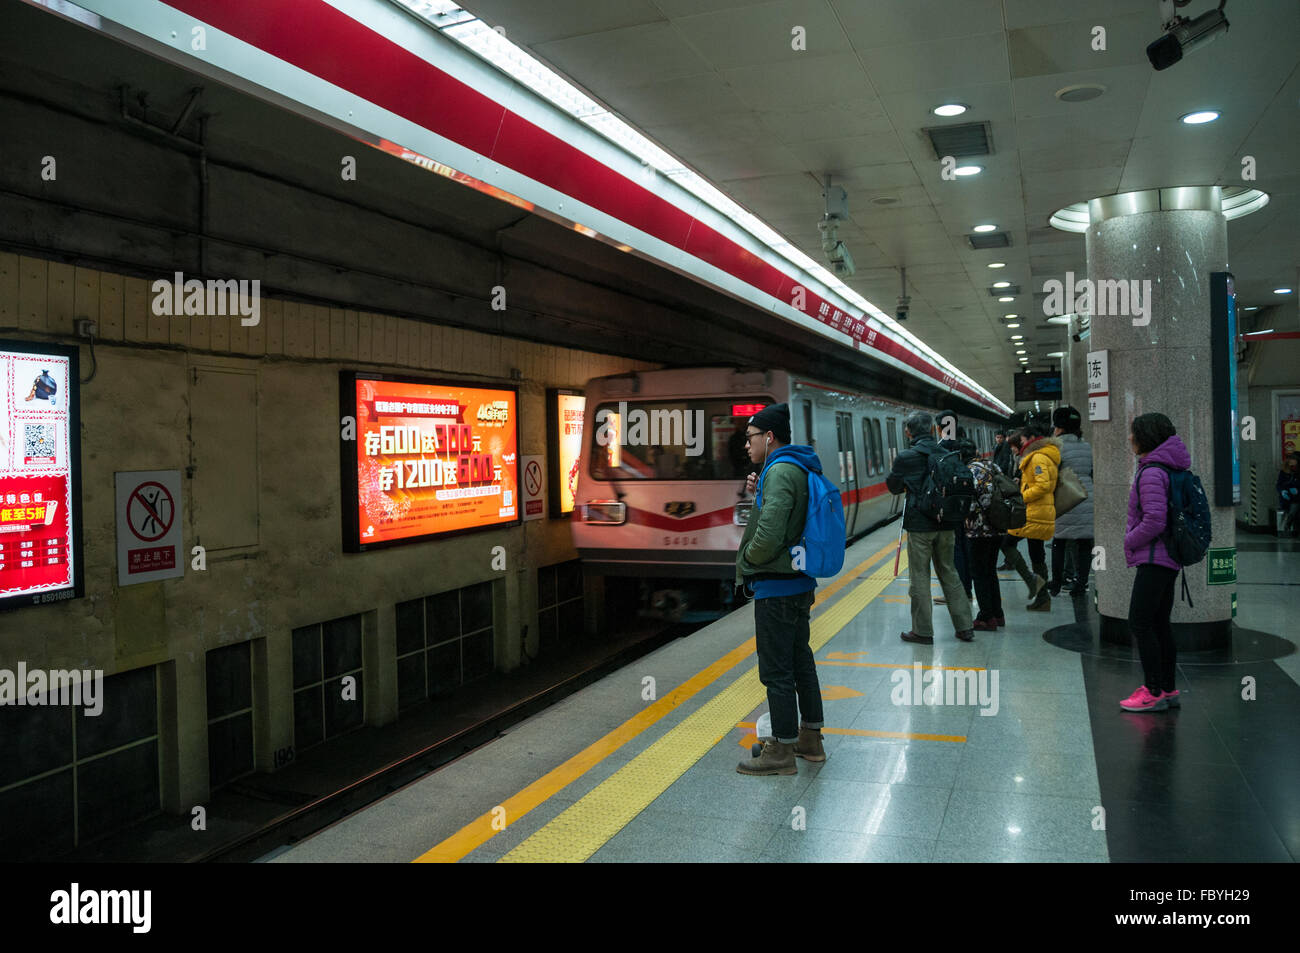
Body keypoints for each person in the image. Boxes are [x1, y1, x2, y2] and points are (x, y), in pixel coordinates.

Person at [734, 403, 826, 775]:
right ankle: (810, 739)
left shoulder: (780, 472)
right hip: (798, 581)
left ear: (769, 437)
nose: (747, 445)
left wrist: (749, 560)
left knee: (775, 670)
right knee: (800, 660)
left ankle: (781, 751)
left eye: (750, 438)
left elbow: (770, 534)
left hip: (777, 585)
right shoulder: (793, 466)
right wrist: (761, 492)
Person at [1121, 412, 1192, 712]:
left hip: (1154, 557)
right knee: (1160, 623)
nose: (1129, 438)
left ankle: (1152, 690)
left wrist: (1128, 540)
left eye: (1133, 433)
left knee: (1140, 621)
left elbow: (1153, 520)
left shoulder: (1151, 471)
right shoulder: (1170, 467)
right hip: (1168, 557)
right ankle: (1167, 688)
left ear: (1146, 437)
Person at [885, 411, 975, 644]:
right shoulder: (947, 453)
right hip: (946, 523)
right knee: (949, 571)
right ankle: (965, 626)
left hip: (919, 525)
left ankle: (923, 631)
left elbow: (893, 487)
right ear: (934, 430)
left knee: (920, 577)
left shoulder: (906, 457)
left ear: (908, 432)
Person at [1008, 415, 1059, 611]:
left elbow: (1043, 485)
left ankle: (1033, 583)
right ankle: (1043, 598)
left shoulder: (1037, 457)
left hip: (1035, 511)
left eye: (1021, 440)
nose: (1020, 444)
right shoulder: (1044, 454)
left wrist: (1023, 495)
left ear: (1031, 439)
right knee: (1036, 553)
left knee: (1008, 543)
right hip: (1040, 510)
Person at [1050, 406, 1095, 597]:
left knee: (1059, 542)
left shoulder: (1055, 447)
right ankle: (1081, 584)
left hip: (1065, 499)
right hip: (1086, 497)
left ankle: (1057, 584)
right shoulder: (1086, 446)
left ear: (1058, 426)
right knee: (1085, 544)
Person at [962, 439, 1004, 630]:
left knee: (978, 573)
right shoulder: (992, 466)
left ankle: (986, 617)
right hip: (998, 528)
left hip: (979, 532)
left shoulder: (970, 472)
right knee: (990, 571)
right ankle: (998, 613)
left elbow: (971, 506)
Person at [936, 414, 972, 605]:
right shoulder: (965, 443)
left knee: (954, 549)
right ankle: (966, 589)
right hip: (967, 504)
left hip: (953, 505)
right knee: (964, 548)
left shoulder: (943, 447)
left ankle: (958, 592)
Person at [1277, 452, 1300, 537]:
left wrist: (1297, 490)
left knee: (1294, 510)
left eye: (1293, 459)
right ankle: (1288, 527)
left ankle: (1290, 527)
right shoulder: (1284, 471)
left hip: (1297, 498)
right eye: (1290, 459)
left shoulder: (1298, 472)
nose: (1291, 461)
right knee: (1291, 511)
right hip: (1287, 497)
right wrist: (1282, 491)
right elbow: (1279, 484)